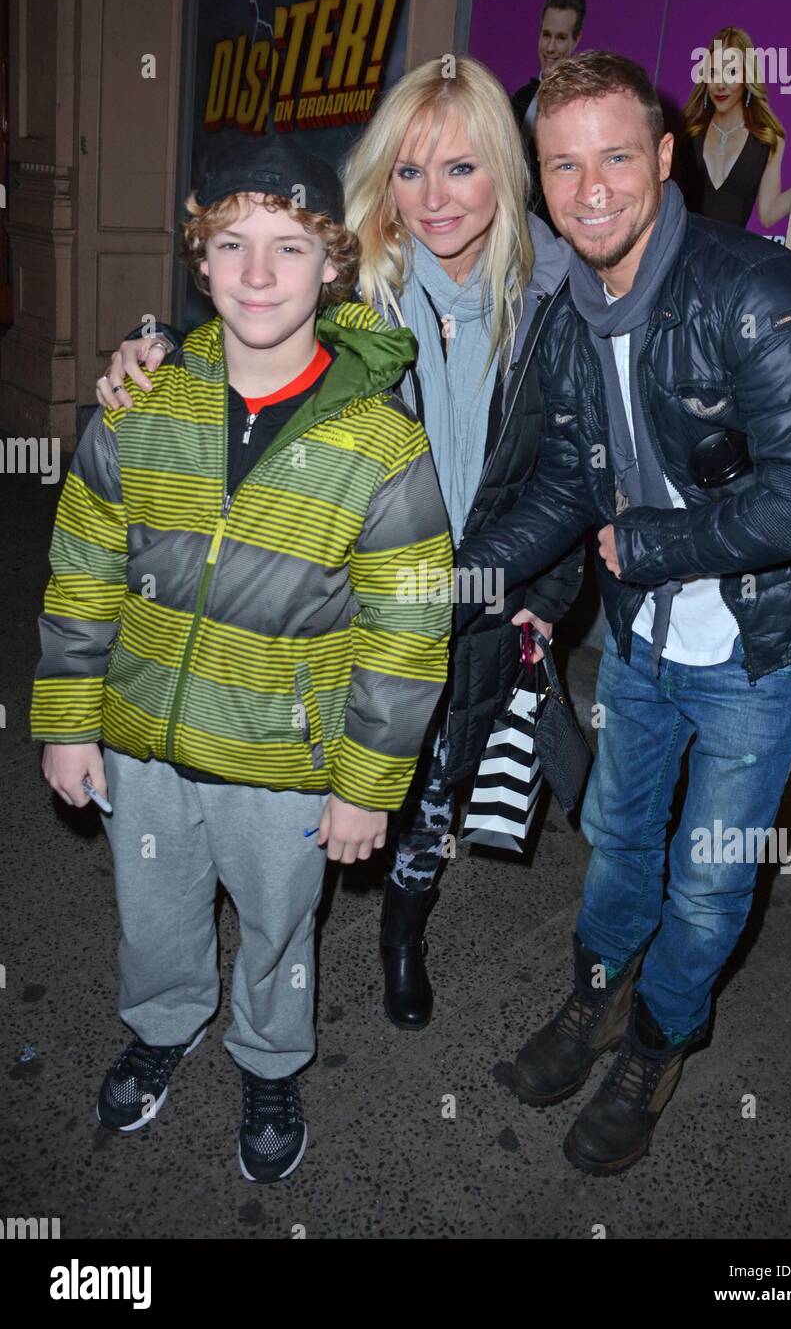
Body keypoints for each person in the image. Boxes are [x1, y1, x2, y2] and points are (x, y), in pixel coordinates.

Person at [94, 57, 584, 1033]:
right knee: (335, 777)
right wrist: (150, 346)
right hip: (342, 582)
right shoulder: (354, 277)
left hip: (480, 583)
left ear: (503, 168)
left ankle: (403, 931)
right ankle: (257, 970)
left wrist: (537, 583)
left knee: (438, 776)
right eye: (408, 172)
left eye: (459, 169)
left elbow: (571, 465)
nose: (433, 199)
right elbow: (239, 324)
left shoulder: (556, 292)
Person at [456, 49, 791, 1175]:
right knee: (615, 848)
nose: (590, 190)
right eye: (562, 165)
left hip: (757, 647)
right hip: (639, 639)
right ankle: (592, 998)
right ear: (538, 178)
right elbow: (554, 485)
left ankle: (656, 1039)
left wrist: (650, 542)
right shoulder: (566, 314)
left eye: (616, 158)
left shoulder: (756, 289)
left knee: (706, 879)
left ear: (666, 158)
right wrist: (449, 585)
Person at [31, 138, 454, 1182]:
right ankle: (161, 1023)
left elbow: (406, 630)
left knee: (278, 925)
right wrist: (68, 718)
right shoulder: (140, 404)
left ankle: (270, 1058)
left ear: (331, 265)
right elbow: (83, 569)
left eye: (288, 247)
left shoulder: (379, 441)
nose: (258, 274)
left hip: (284, 757)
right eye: (232, 244)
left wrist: (365, 784)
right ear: (201, 260)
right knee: (153, 911)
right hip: (149, 744)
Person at [676, 26, 791, 231]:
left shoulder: (768, 141)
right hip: (682, 254)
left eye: (732, 72)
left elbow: (768, 215)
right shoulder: (688, 135)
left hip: (727, 258)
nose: (721, 85)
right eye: (714, 73)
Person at [510, 0, 587, 227]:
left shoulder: (582, 104)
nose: (550, 47)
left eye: (561, 38)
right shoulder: (522, 97)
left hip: (553, 231)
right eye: (546, 35)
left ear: (576, 40)